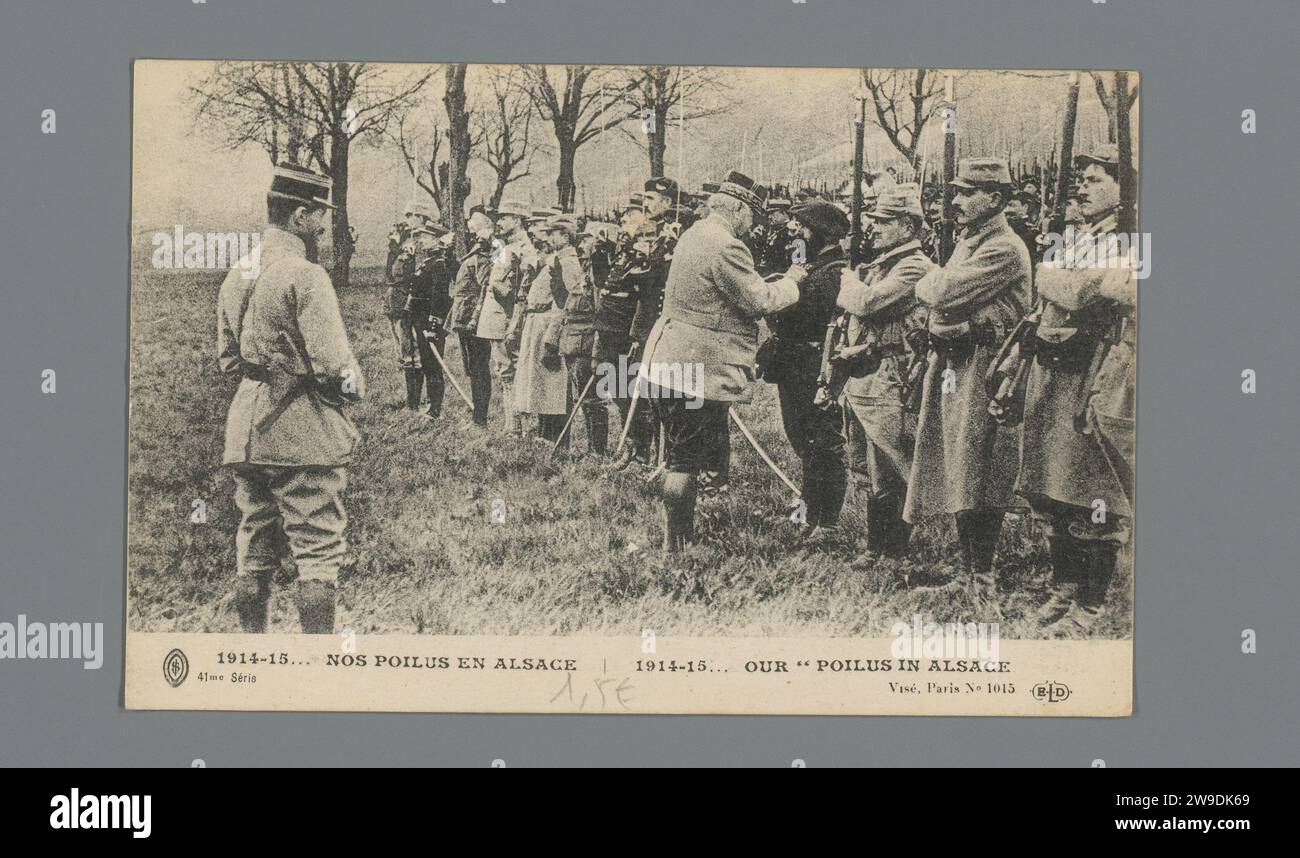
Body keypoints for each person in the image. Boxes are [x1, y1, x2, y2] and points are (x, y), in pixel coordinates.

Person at [217, 163, 364, 634]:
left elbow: (227, 360)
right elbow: (336, 367)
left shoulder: (238, 272)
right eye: (318, 213)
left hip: (244, 429)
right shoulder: (306, 274)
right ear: (300, 216)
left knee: (254, 546)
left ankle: (252, 655)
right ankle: (316, 672)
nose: (322, 224)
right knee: (318, 552)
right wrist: (350, 389)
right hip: (300, 431)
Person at [639, 172, 808, 553]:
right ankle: (676, 545)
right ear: (737, 209)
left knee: (679, 451)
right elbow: (758, 301)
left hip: (668, 356)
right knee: (685, 458)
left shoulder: (693, 234)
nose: (753, 225)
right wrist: (793, 282)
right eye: (751, 216)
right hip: (697, 366)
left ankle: (678, 536)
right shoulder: (727, 246)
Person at [1018, 144, 1136, 626]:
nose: (1082, 188)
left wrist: (1050, 273)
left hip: (1096, 368)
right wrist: (1059, 275)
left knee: (1093, 485)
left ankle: (1089, 603)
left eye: (1095, 180)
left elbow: (1084, 291)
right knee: (1052, 479)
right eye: (1082, 180)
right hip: (1056, 365)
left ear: (1122, 189)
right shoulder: (1080, 236)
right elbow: (1068, 287)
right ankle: (1062, 586)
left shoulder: (1130, 239)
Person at [903, 158, 1031, 597]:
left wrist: (931, 281)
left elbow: (941, 292)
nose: (955, 201)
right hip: (960, 360)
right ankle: (968, 570)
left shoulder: (1004, 247)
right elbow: (942, 297)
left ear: (994, 199)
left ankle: (982, 574)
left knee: (981, 462)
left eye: (966, 192)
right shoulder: (971, 240)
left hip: (989, 368)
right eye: (955, 192)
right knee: (961, 460)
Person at [835, 187, 933, 559]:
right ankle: (880, 548)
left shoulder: (914, 266)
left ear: (907, 227)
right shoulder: (883, 264)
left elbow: (866, 302)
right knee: (874, 462)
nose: (873, 229)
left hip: (896, 375)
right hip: (871, 371)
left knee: (895, 457)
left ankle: (894, 548)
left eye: (883, 222)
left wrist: (848, 280)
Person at [758, 200, 850, 543]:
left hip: (814, 366)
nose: (794, 231)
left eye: (802, 226)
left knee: (822, 442)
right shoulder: (812, 266)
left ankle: (829, 523)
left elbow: (812, 320)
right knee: (803, 440)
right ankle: (810, 512)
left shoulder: (834, 273)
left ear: (823, 233)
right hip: (793, 364)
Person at [476, 199, 539, 434]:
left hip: (508, 318)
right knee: (504, 371)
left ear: (518, 219)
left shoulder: (524, 249)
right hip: (496, 318)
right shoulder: (506, 246)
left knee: (511, 371)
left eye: (504, 217)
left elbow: (523, 289)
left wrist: (515, 321)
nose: (499, 222)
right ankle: (511, 425)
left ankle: (517, 427)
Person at [515, 214, 578, 442]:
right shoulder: (557, 259)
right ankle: (545, 433)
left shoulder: (568, 261)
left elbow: (571, 299)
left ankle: (557, 438)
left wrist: (555, 332)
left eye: (553, 233)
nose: (548, 237)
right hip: (544, 323)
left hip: (555, 324)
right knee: (544, 382)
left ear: (565, 235)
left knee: (555, 384)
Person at [560, 220, 615, 454]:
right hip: (575, 341)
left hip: (589, 341)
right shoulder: (586, 269)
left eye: (589, 238)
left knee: (593, 399)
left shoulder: (601, 273)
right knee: (583, 397)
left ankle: (597, 451)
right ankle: (593, 448)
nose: (583, 243)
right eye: (582, 239)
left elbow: (600, 309)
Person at [446, 210, 496, 426]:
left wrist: (475, 318)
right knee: (472, 368)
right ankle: (477, 415)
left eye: (474, 221)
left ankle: (480, 418)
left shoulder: (487, 251)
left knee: (478, 368)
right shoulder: (475, 249)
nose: (469, 224)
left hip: (474, 316)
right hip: (465, 315)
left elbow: (485, 284)